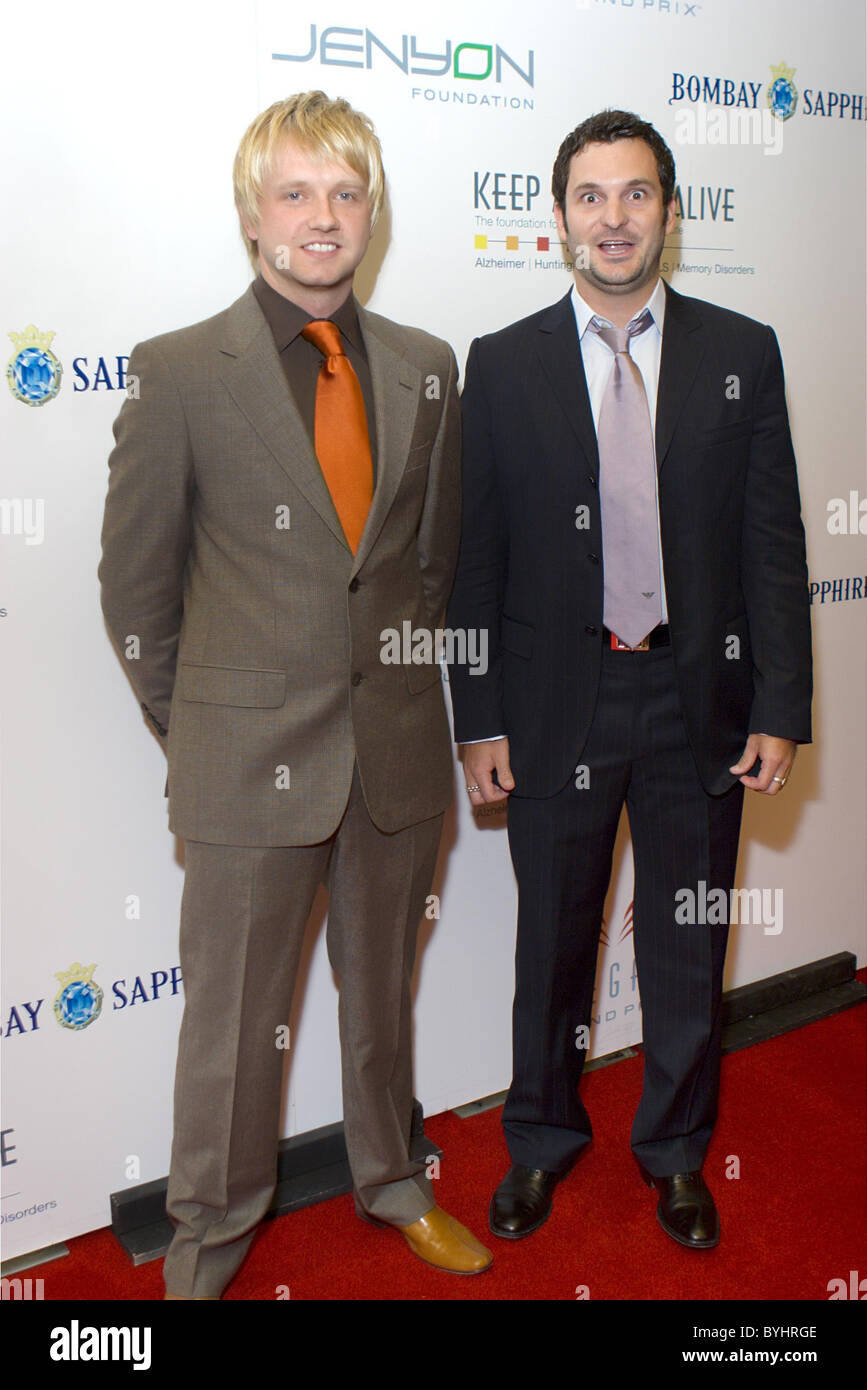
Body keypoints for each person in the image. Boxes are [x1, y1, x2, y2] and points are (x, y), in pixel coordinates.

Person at [99, 90, 491, 1298]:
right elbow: (136, 595)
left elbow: (426, 573)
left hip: (396, 763)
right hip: (243, 767)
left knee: (384, 996)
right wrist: (204, 727)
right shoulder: (177, 374)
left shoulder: (427, 368)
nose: (325, 218)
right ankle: (207, 1240)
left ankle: (394, 1178)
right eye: (297, 192)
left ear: (373, 212)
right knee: (228, 1032)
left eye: (348, 192)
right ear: (251, 213)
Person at [446, 109, 812, 1250]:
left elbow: (773, 546)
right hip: (561, 703)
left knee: (686, 943)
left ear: (669, 211)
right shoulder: (500, 365)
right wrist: (479, 718)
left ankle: (676, 1152)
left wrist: (784, 704)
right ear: (558, 217)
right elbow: (475, 559)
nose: (615, 218)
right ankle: (540, 1141)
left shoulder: (741, 352)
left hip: (696, 699)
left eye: (637, 194)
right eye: (592, 196)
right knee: (550, 945)